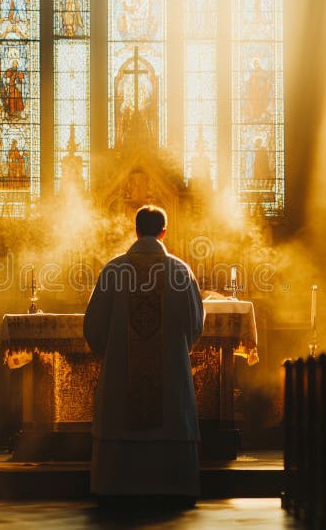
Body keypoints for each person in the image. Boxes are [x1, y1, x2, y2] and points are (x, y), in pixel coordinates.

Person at [84, 205, 205, 510]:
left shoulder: (114, 270)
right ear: (164, 231)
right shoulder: (180, 271)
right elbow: (194, 324)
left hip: (122, 376)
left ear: (135, 230)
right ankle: (173, 487)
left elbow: (94, 327)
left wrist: (113, 354)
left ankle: (116, 486)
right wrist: (176, 350)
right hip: (169, 374)